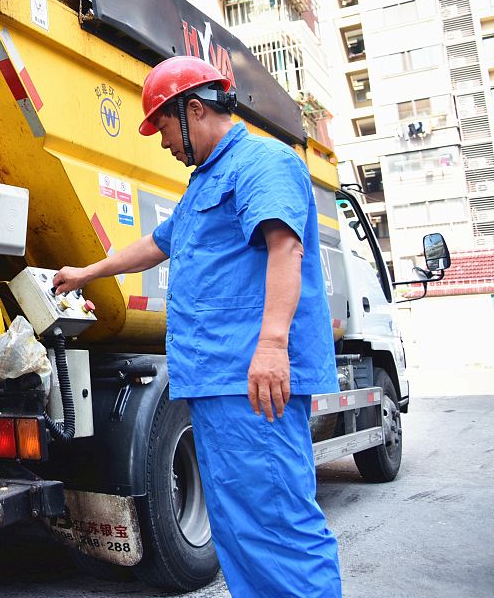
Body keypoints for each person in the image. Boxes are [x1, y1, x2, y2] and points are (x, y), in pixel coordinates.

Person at [52, 57, 342, 598]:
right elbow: (154, 246)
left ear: (194, 109)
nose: (163, 143)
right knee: (236, 532)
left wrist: (274, 346)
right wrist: (86, 272)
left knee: (277, 523)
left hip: (253, 384)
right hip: (215, 384)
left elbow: (287, 247)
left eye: (162, 127)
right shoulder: (204, 183)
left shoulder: (262, 161)